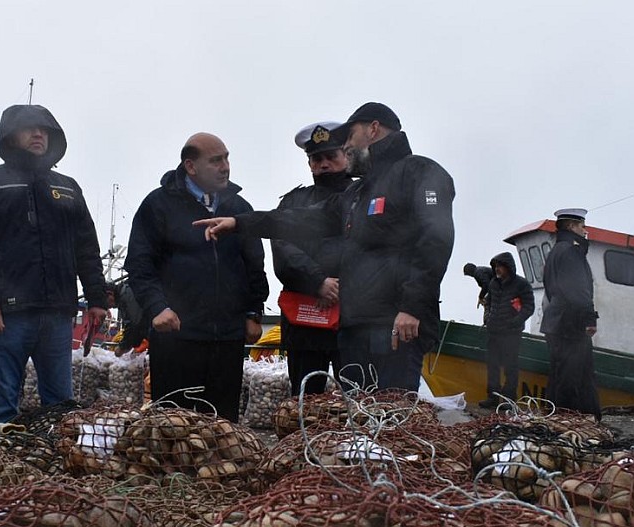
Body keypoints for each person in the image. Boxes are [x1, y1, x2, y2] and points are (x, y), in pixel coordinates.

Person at [194, 103, 455, 393]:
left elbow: (436, 239)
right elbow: (301, 219)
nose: (347, 145)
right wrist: (239, 222)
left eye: (349, 136)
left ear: (373, 129)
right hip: (355, 329)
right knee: (356, 423)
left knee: (390, 422)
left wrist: (412, 307)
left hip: (395, 327)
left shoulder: (421, 172)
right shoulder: (358, 192)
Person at [0, 104, 108, 426]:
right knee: (4, 404)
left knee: (61, 405)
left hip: (58, 312)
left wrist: (96, 298)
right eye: (30, 128)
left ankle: (55, 461)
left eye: (45, 130)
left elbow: (86, 247)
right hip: (9, 316)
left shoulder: (67, 188)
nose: (39, 134)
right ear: (11, 136)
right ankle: (0, 464)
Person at [124, 132, 269, 421]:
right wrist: (157, 308)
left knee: (222, 425)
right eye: (216, 161)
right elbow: (140, 266)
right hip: (177, 337)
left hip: (227, 339)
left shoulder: (238, 209)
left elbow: (255, 262)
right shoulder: (158, 205)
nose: (225, 166)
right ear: (191, 166)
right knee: (174, 425)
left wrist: (254, 310)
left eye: (227, 158)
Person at [272, 122, 351, 395]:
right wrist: (318, 281)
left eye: (332, 156)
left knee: (359, 402)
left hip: (353, 320)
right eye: (318, 158)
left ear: (347, 156)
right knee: (305, 403)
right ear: (309, 164)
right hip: (305, 322)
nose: (325, 164)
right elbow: (282, 247)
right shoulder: (293, 202)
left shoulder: (365, 198)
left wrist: (342, 284)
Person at [540, 208, 601, 421]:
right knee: (576, 376)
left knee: (559, 376)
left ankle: (557, 418)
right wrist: (589, 319)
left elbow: (550, 288)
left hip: (556, 322)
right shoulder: (572, 252)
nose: (585, 230)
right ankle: (575, 422)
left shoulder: (555, 252)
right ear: (571, 226)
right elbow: (579, 290)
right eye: (582, 226)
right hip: (571, 324)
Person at [478, 252, 534, 408]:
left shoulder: (521, 284)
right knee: (492, 365)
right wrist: (488, 317)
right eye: (495, 266)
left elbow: (529, 307)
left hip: (511, 334)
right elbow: (488, 301)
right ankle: (493, 397)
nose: (497, 269)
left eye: (500, 266)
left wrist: (514, 322)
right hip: (494, 332)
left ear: (508, 267)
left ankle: (509, 399)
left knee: (511, 366)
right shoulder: (493, 284)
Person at [105, 279, 148, 356]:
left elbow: (134, 324)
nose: (109, 307)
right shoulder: (126, 294)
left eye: (105, 303)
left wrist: (122, 347)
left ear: (110, 294)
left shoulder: (127, 296)